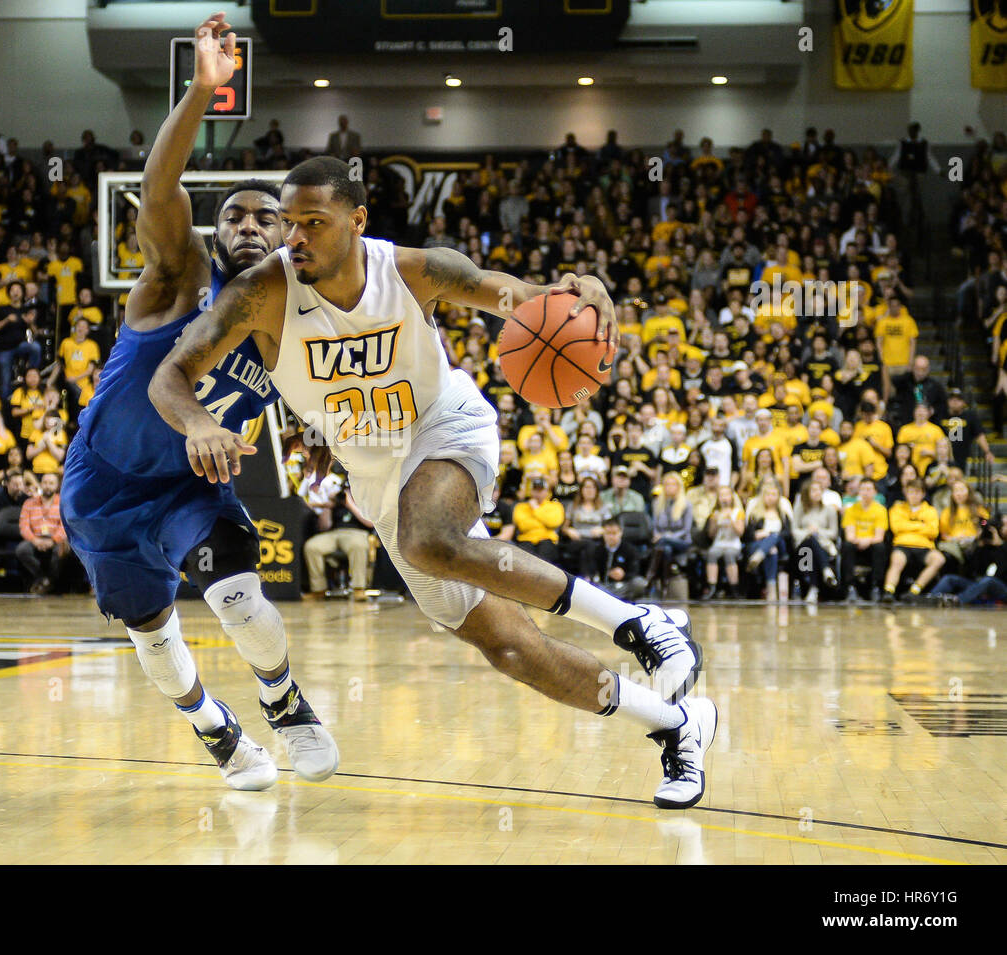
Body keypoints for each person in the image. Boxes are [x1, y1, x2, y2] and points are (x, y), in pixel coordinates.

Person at [151, 154, 714, 810]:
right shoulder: (260, 292)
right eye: (290, 222)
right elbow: (171, 374)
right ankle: (677, 725)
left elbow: (521, 299)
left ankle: (636, 624)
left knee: (427, 536)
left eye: (314, 221)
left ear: (357, 220)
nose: (296, 236)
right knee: (510, 648)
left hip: (446, 429)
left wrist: (578, 292)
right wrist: (198, 423)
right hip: (377, 476)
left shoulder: (414, 269)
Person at [58, 15, 338, 791]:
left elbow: (298, 387)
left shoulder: (290, 317)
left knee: (237, 591)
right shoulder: (178, 278)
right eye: (236, 216)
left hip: (188, 486)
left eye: (267, 217)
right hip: (104, 485)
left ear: (290, 236)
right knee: (152, 632)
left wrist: (315, 429)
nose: (250, 224)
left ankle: (286, 705)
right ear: (217, 236)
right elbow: (158, 186)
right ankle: (215, 728)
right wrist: (204, 91)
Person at [302, 468, 373, 596]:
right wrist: (327, 506)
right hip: (334, 532)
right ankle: (318, 589)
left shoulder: (365, 497)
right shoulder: (337, 499)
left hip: (356, 532)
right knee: (312, 546)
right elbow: (325, 527)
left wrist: (349, 504)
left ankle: (358, 588)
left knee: (358, 546)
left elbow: (370, 523)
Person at [882, 480, 943, 603]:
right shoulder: (897, 508)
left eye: (917, 492)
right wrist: (920, 525)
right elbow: (896, 528)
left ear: (923, 494)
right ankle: (888, 591)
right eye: (911, 492)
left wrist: (908, 526)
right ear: (905, 493)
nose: (914, 495)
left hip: (924, 546)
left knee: (938, 559)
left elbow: (933, 532)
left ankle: (914, 590)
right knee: (897, 561)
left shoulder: (930, 510)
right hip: (902, 544)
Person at [840, 477, 888, 601]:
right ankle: (850, 587)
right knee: (847, 546)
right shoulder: (851, 509)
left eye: (869, 489)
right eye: (862, 489)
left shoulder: (880, 510)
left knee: (880, 547)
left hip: (872, 545)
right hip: (856, 544)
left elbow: (879, 537)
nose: (865, 492)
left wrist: (867, 540)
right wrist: (861, 540)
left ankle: (876, 586)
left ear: (875, 492)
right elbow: (849, 536)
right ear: (859, 492)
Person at [592, 517, 646, 601]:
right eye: (608, 533)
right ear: (603, 534)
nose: (611, 537)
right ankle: (611, 596)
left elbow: (635, 571)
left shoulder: (630, 549)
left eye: (614, 533)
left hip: (623, 585)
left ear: (621, 533)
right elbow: (591, 570)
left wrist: (623, 575)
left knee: (639, 583)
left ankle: (610, 597)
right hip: (603, 584)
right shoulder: (597, 549)